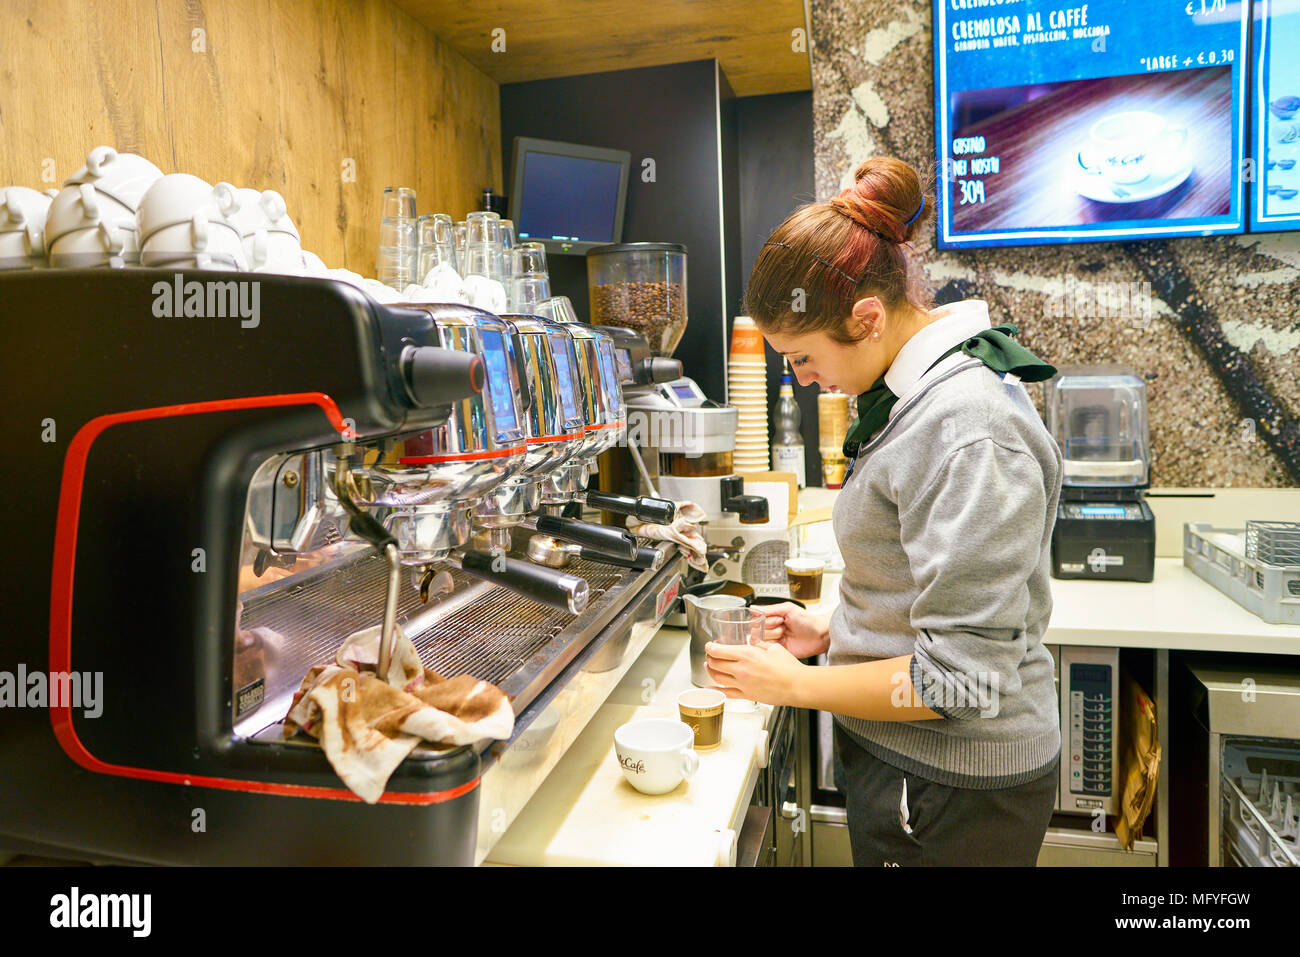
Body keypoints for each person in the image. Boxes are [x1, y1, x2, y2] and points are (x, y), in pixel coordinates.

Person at [704, 156, 1063, 866]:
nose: (805, 382)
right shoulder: (917, 401)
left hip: (952, 788)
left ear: (867, 318)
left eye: (804, 359)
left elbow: (961, 679)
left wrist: (798, 686)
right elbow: (919, 590)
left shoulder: (967, 428)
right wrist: (835, 630)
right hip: (913, 770)